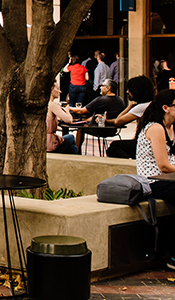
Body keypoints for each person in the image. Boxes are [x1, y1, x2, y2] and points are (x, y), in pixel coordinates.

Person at [134, 89, 175, 270]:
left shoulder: (172, 127)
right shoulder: (156, 128)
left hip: (170, 179)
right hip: (154, 180)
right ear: (166, 108)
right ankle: (172, 255)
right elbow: (163, 166)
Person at [107, 76, 156, 159]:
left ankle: (128, 165)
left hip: (145, 144)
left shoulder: (141, 107)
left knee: (114, 147)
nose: (127, 92)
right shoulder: (151, 104)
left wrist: (129, 108)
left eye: (129, 90)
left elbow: (118, 121)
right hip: (149, 142)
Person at [71, 78, 126, 152]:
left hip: (98, 129)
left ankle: (77, 151)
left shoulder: (100, 100)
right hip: (113, 130)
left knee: (81, 128)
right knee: (84, 123)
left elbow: (82, 111)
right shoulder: (120, 100)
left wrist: (69, 108)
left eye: (102, 86)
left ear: (108, 88)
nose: (100, 87)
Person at [47, 82, 79, 154]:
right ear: (51, 90)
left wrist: (55, 135)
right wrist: (67, 110)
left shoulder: (45, 104)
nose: (60, 91)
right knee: (71, 137)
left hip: (46, 141)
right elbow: (69, 120)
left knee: (72, 148)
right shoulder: (52, 105)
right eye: (58, 88)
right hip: (50, 145)